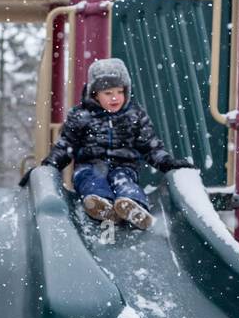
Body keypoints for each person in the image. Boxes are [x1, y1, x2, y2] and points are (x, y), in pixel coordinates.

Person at [19, 58, 193, 230]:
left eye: (119, 92)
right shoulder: (81, 116)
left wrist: (168, 163)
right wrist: (48, 166)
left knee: (124, 181)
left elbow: (151, 147)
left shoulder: (135, 116)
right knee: (90, 179)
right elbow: (65, 146)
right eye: (108, 93)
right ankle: (101, 205)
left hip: (124, 166)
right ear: (94, 94)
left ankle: (133, 206)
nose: (115, 98)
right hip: (89, 166)